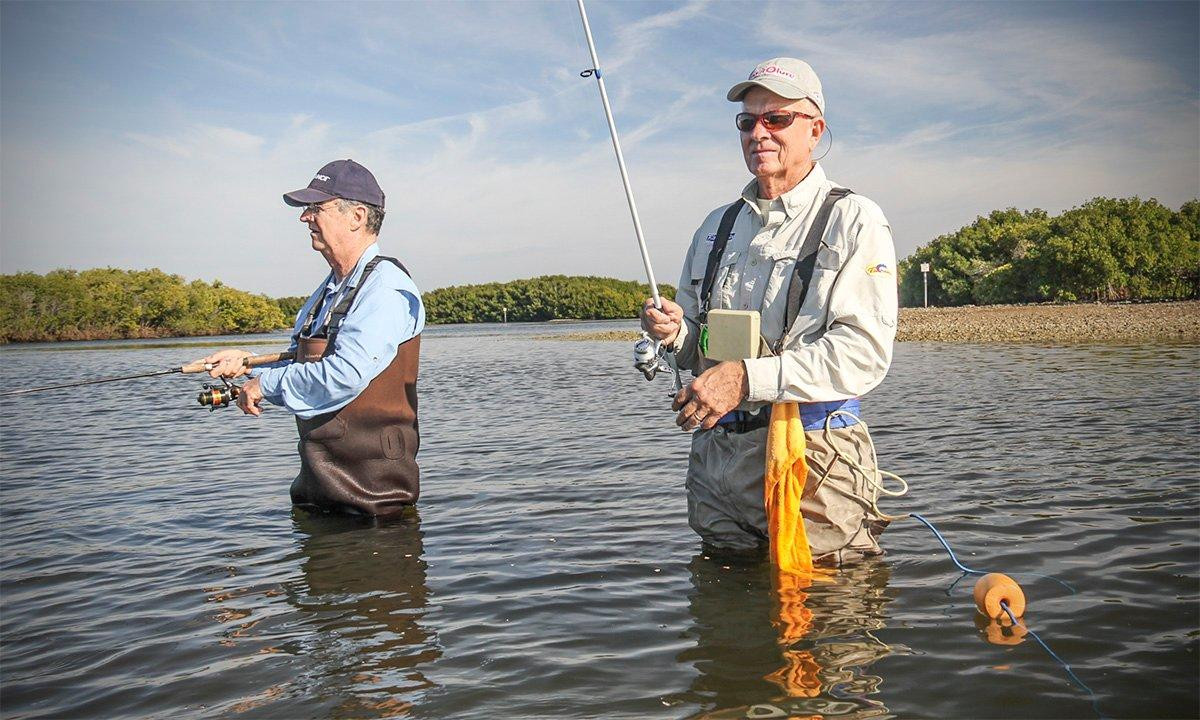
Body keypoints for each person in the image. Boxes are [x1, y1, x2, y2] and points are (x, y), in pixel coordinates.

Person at [640, 58, 898, 562]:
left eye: (776, 118)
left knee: (829, 604)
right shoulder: (714, 226)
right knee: (722, 599)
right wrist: (673, 333)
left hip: (816, 460)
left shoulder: (855, 219)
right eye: (747, 121)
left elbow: (863, 354)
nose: (758, 132)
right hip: (717, 463)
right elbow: (696, 348)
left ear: (815, 130)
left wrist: (744, 379)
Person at [202, 159, 425, 517]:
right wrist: (247, 363)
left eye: (316, 208)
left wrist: (263, 385)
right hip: (319, 494)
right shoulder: (328, 290)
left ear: (356, 217)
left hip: (373, 506)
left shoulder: (384, 289)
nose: (304, 218)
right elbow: (304, 361)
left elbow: (344, 374)